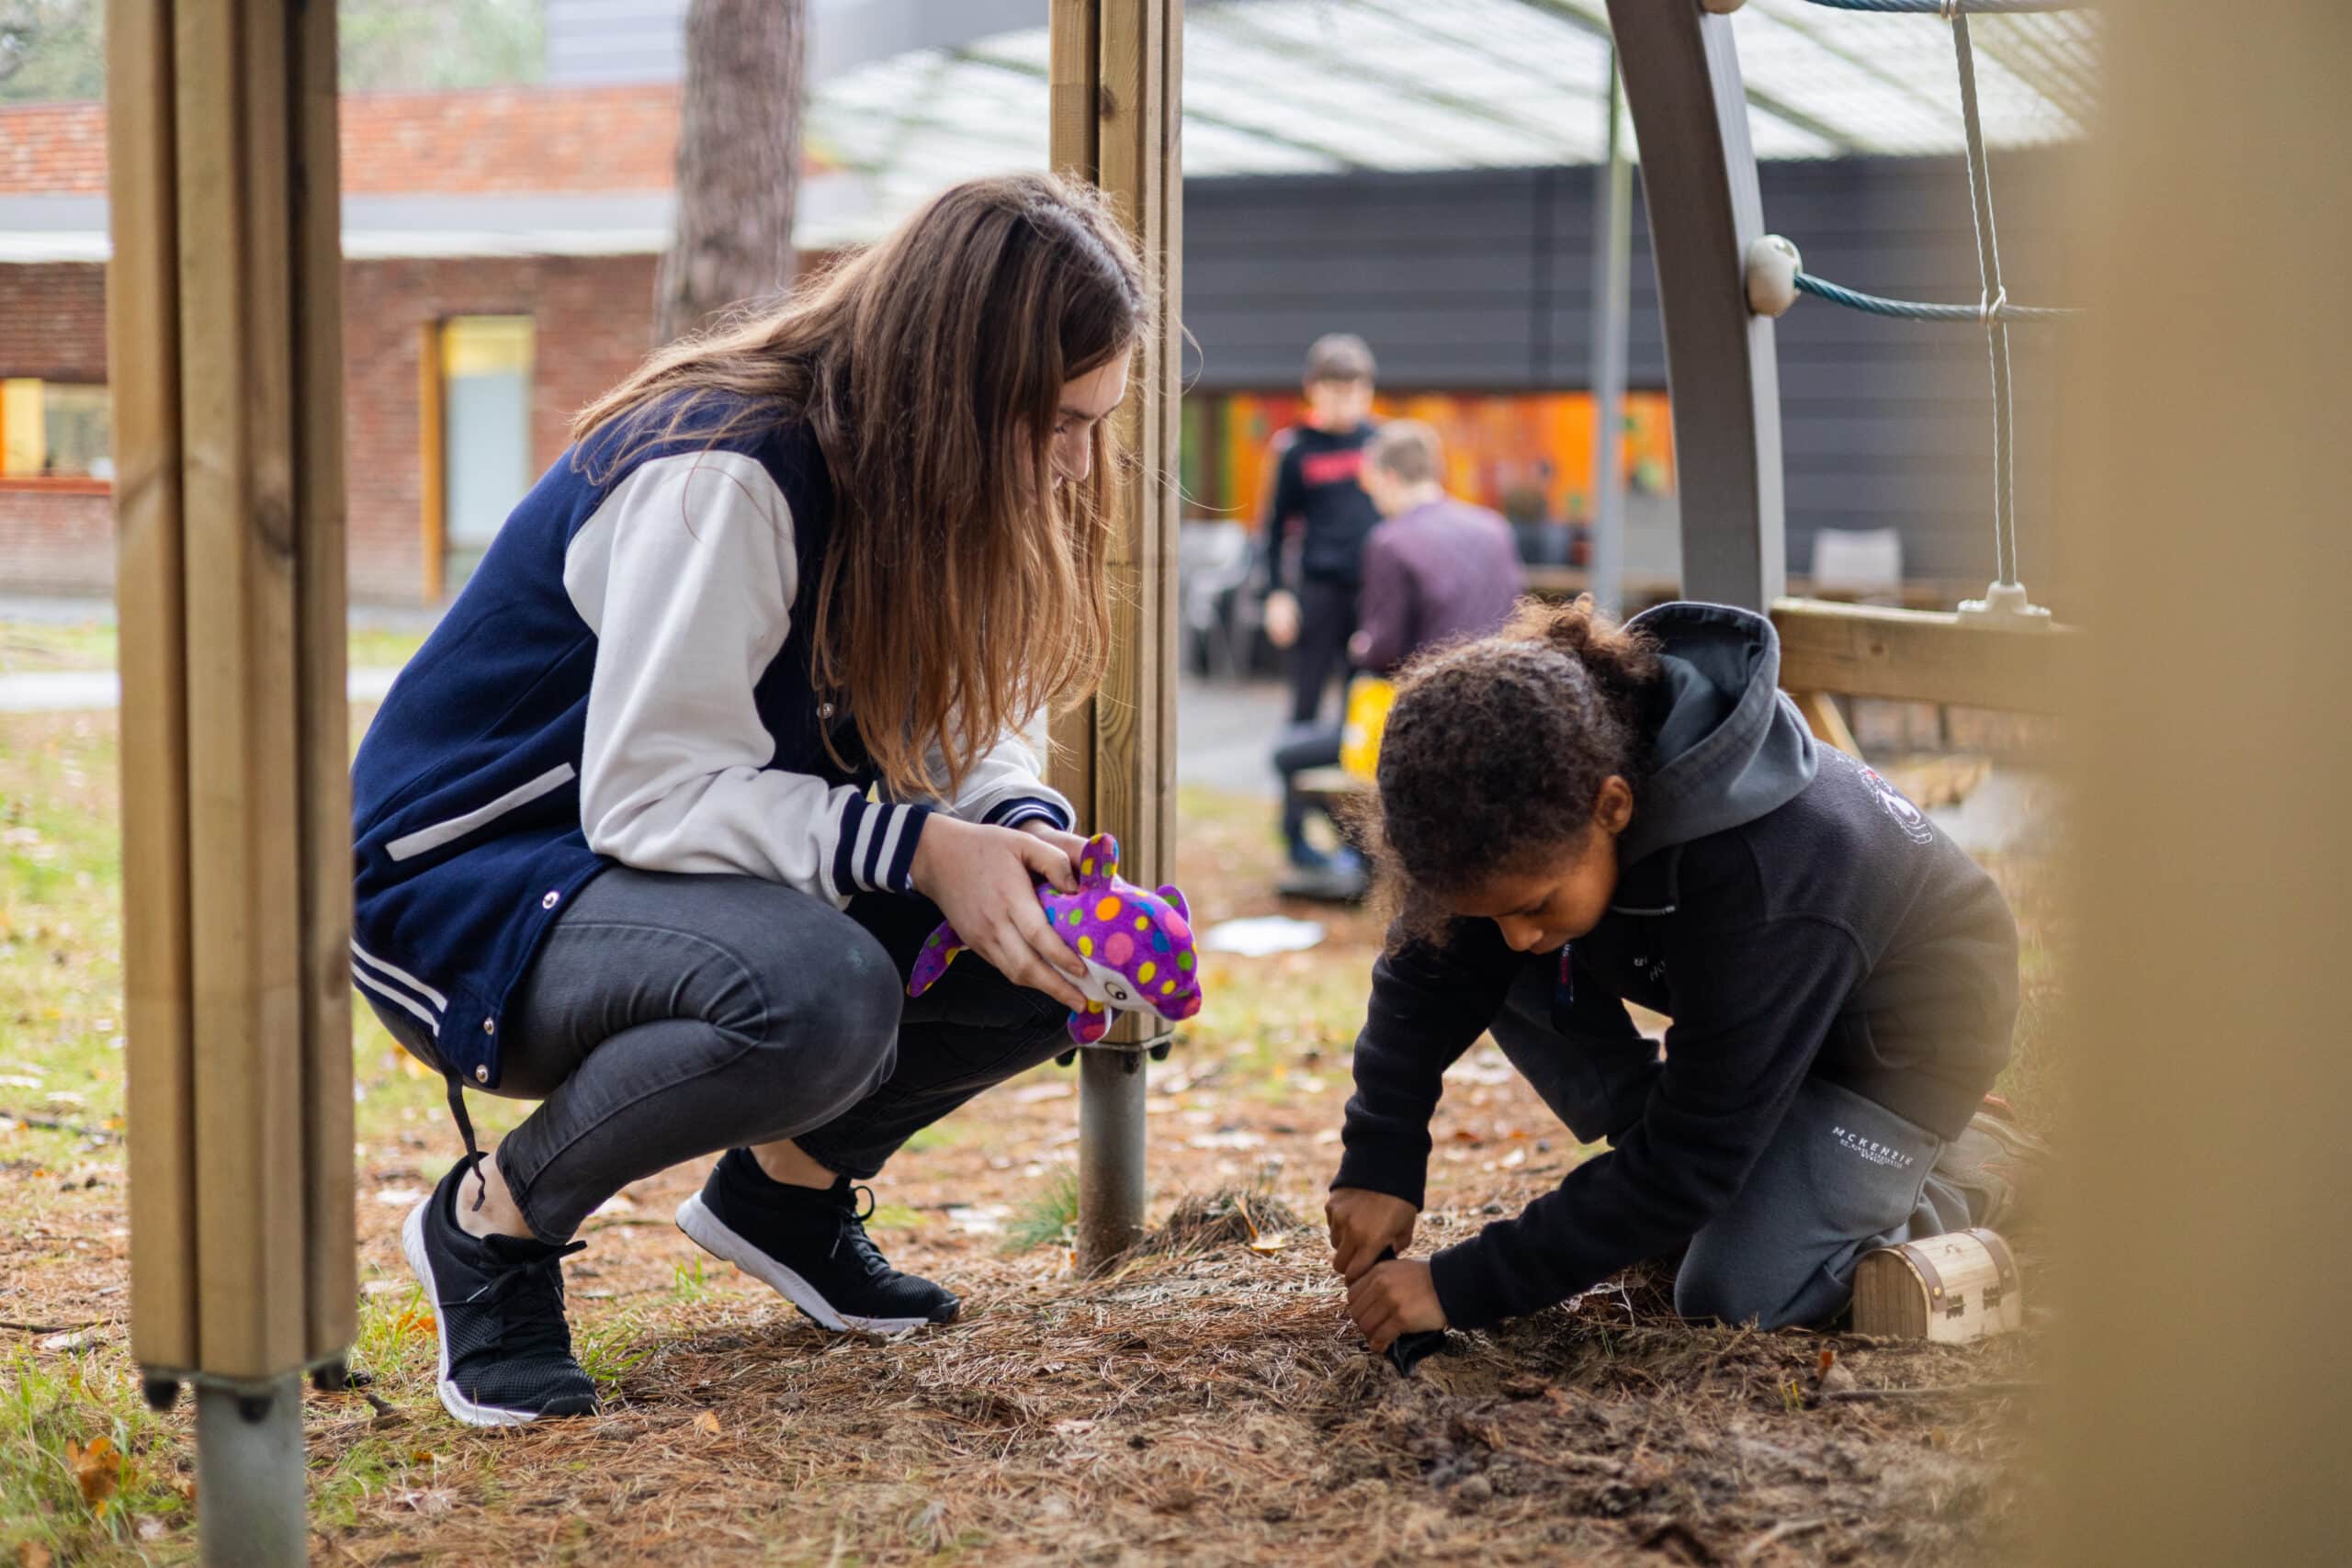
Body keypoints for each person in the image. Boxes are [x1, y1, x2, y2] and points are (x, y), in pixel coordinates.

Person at [349, 173, 1149, 1426]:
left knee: (1050, 948)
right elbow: (650, 793)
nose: (1077, 462)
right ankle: (490, 1228)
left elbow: (962, 720)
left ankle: (785, 1196)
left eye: (1098, 419)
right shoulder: (729, 466)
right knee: (819, 993)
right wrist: (922, 847)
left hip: (666, 863)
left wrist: (1014, 829)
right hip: (480, 879)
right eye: (1054, 420)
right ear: (951, 383)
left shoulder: (936, 474)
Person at [1325, 598, 2040, 1352]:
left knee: (1736, 1291)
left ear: (1613, 804)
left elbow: (1690, 1162)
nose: (1521, 936)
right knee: (1475, 944)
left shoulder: (1761, 875)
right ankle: (1696, 1152)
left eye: (1536, 904)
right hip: (1768, 1012)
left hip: (1902, 1041)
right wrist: (1381, 1153)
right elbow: (1431, 961)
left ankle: (1974, 1168)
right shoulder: (1555, 785)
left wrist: (1457, 1284)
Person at [1272, 421, 1522, 896]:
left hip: (1427, 720)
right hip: (1499, 712)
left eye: (1370, 486)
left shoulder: (1391, 540)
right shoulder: (1493, 527)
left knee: (1291, 755)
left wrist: (1358, 645)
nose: (1371, 499)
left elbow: (1382, 651)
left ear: (1388, 477)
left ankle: (1374, 872)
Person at [1259, 340, 1380, 874]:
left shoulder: (1380, 445)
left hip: (1372, 597)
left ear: (1368, 392)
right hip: (1316, 594)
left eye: (1353, 390)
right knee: (1304, 715)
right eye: (1333, 389)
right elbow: (1271, 531)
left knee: (1363, 720)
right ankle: (1295, 834)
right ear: (1313, 391)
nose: (1343, 401)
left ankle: (1357, 839)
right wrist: (1277, 595)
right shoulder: (1294, 450)